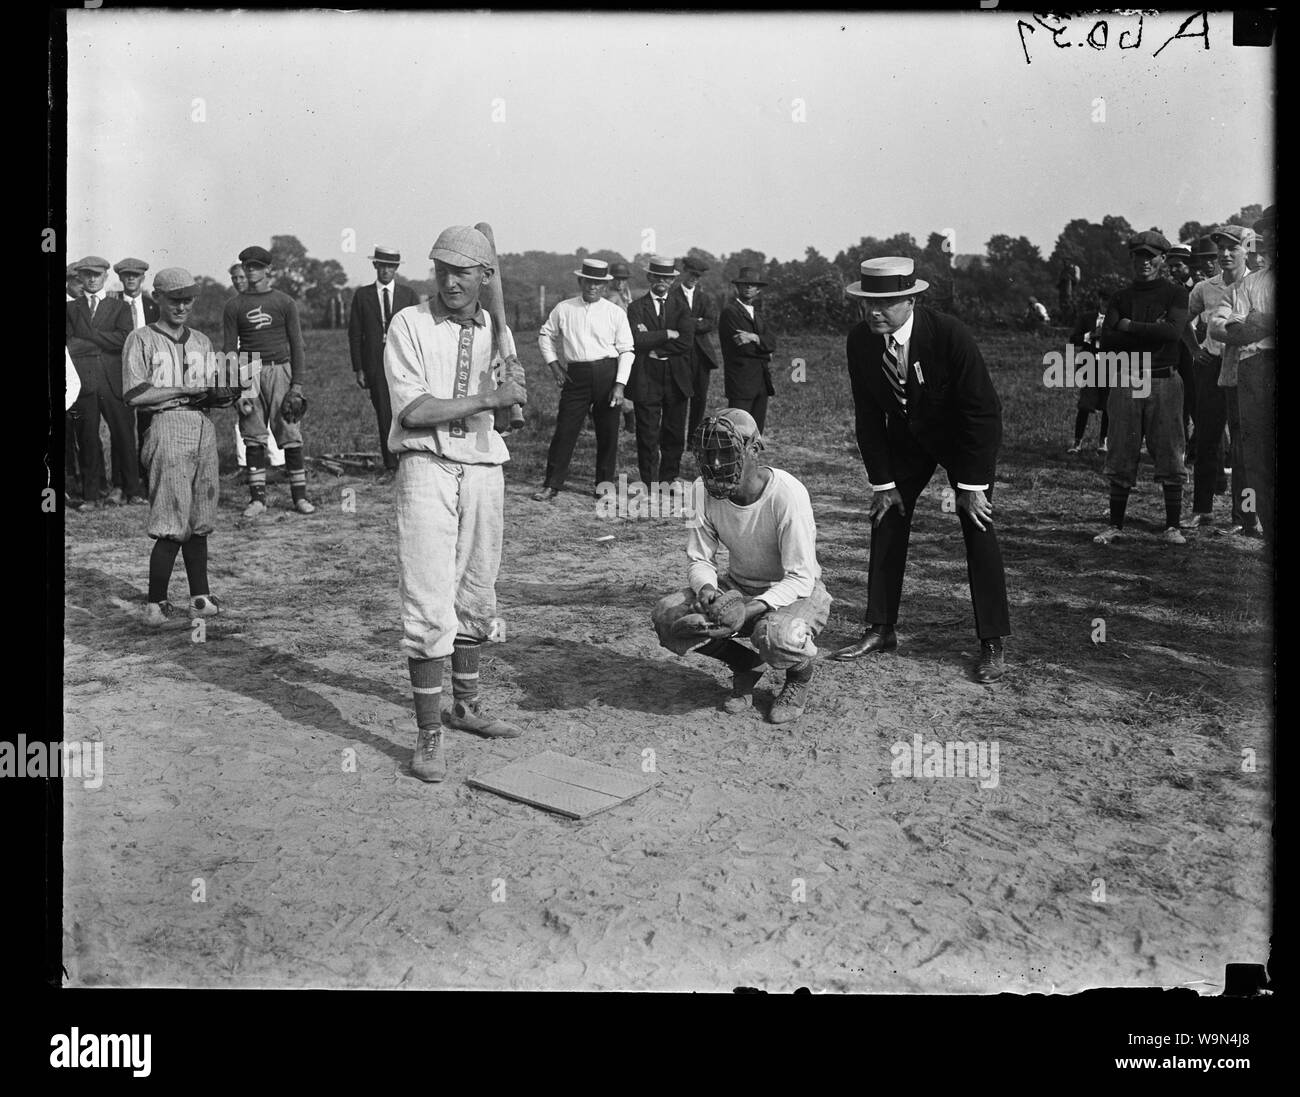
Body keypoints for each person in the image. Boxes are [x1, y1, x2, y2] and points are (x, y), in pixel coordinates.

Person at [384, 225, 529, 782]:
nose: (449, 280)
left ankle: (465, 706)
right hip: (426, 466)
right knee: (427, 598)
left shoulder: (496, 326)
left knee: (477, 589)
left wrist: (512, 389)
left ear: (484, 277)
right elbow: (415, 411)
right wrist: (493, 397)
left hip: (485, 468)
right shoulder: (409, 323)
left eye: (462, 271)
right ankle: (428, 736)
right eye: (441, 268)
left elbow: (506, 399)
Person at [831, 256, 1011, 683]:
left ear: (911, 299)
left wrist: (972, 485)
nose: (874, 312)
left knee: (977, 523)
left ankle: (992, 641)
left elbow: (983, 413)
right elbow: (869, 418)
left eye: (887, 303)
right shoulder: (860, 341)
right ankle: (881, 628)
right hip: (907, 441)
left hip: (960, 438)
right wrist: (884, 483)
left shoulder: (949, 334)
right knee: (887, 516)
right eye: (867, 303)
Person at [650, 409, 831, 723]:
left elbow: (801, 576)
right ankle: (745, 664)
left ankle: (799, 676)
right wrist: (706, 589)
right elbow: (699, 558)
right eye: (709, 455)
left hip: (799, 594)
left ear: (754, 451)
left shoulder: (787, 495)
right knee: (669, 617)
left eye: (726, 453)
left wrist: (747, 611)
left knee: (778, 635)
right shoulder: (700, 490)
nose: (716, 464)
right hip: (739, 586)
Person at [120, 268, 233, 628]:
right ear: (158, 299)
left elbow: (212, 386)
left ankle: (199, 597)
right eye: (175, 299)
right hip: (167, 424)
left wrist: (225, 392)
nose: (182, 306)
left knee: (200, 517)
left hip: (202, 426)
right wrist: (183, 390)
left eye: (188, 299)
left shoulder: (200, 340)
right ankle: (156, 605)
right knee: (171, 517)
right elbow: (135, 393)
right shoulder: (141, 339)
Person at [1092, 231, 1191, 546]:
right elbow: (1108, 340)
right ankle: (1115, 525)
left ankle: (1172, 526)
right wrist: (1152, 331)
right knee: (1121, 450)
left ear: (1163, 259)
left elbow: (1174, 333)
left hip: (1165, 379)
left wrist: (1130, 326)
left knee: (1170, 451)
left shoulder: (1175, 294)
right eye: (1138, 256)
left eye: (1151, 256)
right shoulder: (1121, 297)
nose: (1144, 262)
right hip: (1126, 378)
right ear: (1132, 259)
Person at [532, 258, 634, 501]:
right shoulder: (564, 308)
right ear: (580, 281)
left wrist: (619, 385)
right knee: (565, 430)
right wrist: (555, 366)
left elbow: (627, 350)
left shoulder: (615, 312)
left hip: (608, 374)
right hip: (576, 376)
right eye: (588, 281)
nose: (593, 287)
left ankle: (604, 487)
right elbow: (545, 335)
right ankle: (552, 484)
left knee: (608, 433)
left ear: (605, 286)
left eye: (598, 283)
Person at [224, 245, 314, 516]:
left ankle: (299, 497)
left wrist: (296, 385)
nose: (251, 271)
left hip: (279, 370)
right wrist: (236, 389)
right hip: (248, 370)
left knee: (290, 433)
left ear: (267, 269)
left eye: (256, 266)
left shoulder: (284, 302)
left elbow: (297, 344)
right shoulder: (234, 305)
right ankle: (257, 500)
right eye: (247, 266)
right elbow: (230, 349)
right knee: (252, 435)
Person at [1184, 225, 1256, 533]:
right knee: (1207, 438)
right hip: (1211, 365)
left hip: (1247, 368)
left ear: (1246, 252)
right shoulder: (1204, 287)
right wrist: (1194, 348)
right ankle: (1202, 510)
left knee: (1244, 445)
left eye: (1233, 249)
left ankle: (1244, 517)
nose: (1225, 255)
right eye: (1220, 250)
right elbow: (1181, 319)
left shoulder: (1258, 285)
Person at [1210, 208, 1275, 546]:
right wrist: (1257, 324)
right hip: (1253, 369)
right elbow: (1223, 328)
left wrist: (1255, 322)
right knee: (1254, 455)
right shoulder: (1249, 284)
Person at [65, 255, 145, 509]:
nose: (91, 278)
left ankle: (133, 490)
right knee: (87, 438)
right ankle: (91, 495)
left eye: (96, 274)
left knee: (123, 436)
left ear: (105, 277)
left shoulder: (119, 307)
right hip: (84, 382)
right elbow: (69, 344)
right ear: (80, 277)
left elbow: (124, 340)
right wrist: (101, 340)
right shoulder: (71, 308)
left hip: (114, 381)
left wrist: (88, 337)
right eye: (86, 274)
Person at [348, 246, 419, 482]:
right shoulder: (363, 295)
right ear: (375, 266)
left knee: (409, 410)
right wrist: (359, 368)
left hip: (405, 363)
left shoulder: (408, 295)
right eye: (382, 265)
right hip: (375, 364)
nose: (386, 271)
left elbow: (419, 331)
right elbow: (355, 333)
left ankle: (411, 461)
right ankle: (391, 466)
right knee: (384, 414)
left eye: (391, 266)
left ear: (397, 268)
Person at [626, 257, 695, 492]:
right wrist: (667, 332)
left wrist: (655, 346)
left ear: (673, 279)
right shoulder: (636, 308)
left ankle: (669, 479)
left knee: (674, 431)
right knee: (647, 432)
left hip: (676, 378)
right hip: (646, 377)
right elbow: (636, 340)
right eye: (657, 276)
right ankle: (649, 482)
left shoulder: (681, 306)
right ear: (649, 278)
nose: (662, 281)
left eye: (667, 277)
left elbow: (686, 341)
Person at [111, 257, 162, 492]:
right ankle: (121, 483)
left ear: (143, 278)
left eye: (136, 275)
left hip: (149, 374)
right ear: (120, 278)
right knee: (121, 428)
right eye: (127, 276)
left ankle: (147, 479)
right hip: (119, 372)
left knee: (148, 427)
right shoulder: (110, 305)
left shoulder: (154, 306)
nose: (131, 279)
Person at [717, 266, 777, 432]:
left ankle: (751, 458)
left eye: (752, 285)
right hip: (741, 382)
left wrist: (754, 338)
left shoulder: (758, 316)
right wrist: (766, 353)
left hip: (761, 382)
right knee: (738, 430)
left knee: (755, 431)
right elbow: (743, 349)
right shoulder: (730, 313)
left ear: (758, 290)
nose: (749, 287)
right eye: (745, 284)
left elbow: (773, 342)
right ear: (738, 287)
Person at [671, 256, 720, 446]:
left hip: (701, 355)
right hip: (681, 355)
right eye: (691, 274)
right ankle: (676, 440)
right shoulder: (673, 296)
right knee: (680, 397)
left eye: (697, 276)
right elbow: (674, 322)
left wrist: (688, 323)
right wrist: (696, 322)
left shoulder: (705, 298)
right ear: (684, 272)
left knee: (700, 398)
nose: (694, 279)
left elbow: (710, 323)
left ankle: (694, 440)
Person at [1066, 286, 1111, 454]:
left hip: (1110, 365)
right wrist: (1090, 335)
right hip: (1089, 365)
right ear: (1099, 300)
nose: (1106, 303)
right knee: (1085, 404)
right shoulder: (1087, 318)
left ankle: (1103, 442)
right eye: (1104, 299)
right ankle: (1077, 442)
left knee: (1107, 405)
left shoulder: (1118, 320)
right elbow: (1073, 339)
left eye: (1110, 301)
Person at [606, 261, 637, 432]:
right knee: (619, 380)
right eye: (617, 279)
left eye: (623, 279)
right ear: (612, 280)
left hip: (626, 341)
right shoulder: (612, 297)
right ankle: (628, 421)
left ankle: (628, 420)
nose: (620, 282)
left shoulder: (625, 294)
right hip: (616, 344)